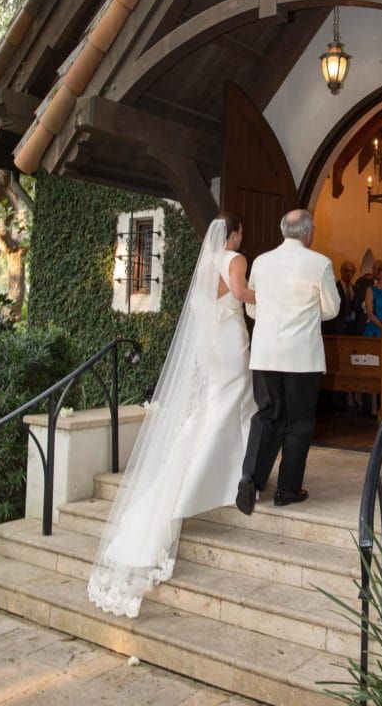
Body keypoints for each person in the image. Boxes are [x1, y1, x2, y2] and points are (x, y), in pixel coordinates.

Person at [88, 213, 255, 618]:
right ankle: (218, 477)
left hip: (212, 346)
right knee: (232, 406)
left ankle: (229, 473)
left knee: (220, 407)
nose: (239, 237)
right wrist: (263, 294)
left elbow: (201, 310)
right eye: (239, 232)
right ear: (234, 234)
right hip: (232, 340)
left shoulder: (203, 266)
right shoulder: (236, 259)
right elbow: (239, 292)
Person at [235, 208, 340, 514]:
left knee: (266, 416)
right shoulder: (319, 263)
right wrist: (306, 315)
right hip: (301, 358)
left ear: (283, 231)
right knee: (300, 423)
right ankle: (287, 489)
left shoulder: (262, 261)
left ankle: (250, 479)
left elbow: (253, 309)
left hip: (265, 353)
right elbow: (331, 308)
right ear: (309, 233)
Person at [323, 259, 358, 335]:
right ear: (341, 271)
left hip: (351, 329)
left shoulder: (356, 289)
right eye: (346, 270)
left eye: (351, 271)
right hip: (335, 327)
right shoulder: (333, 287)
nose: (348, 273)